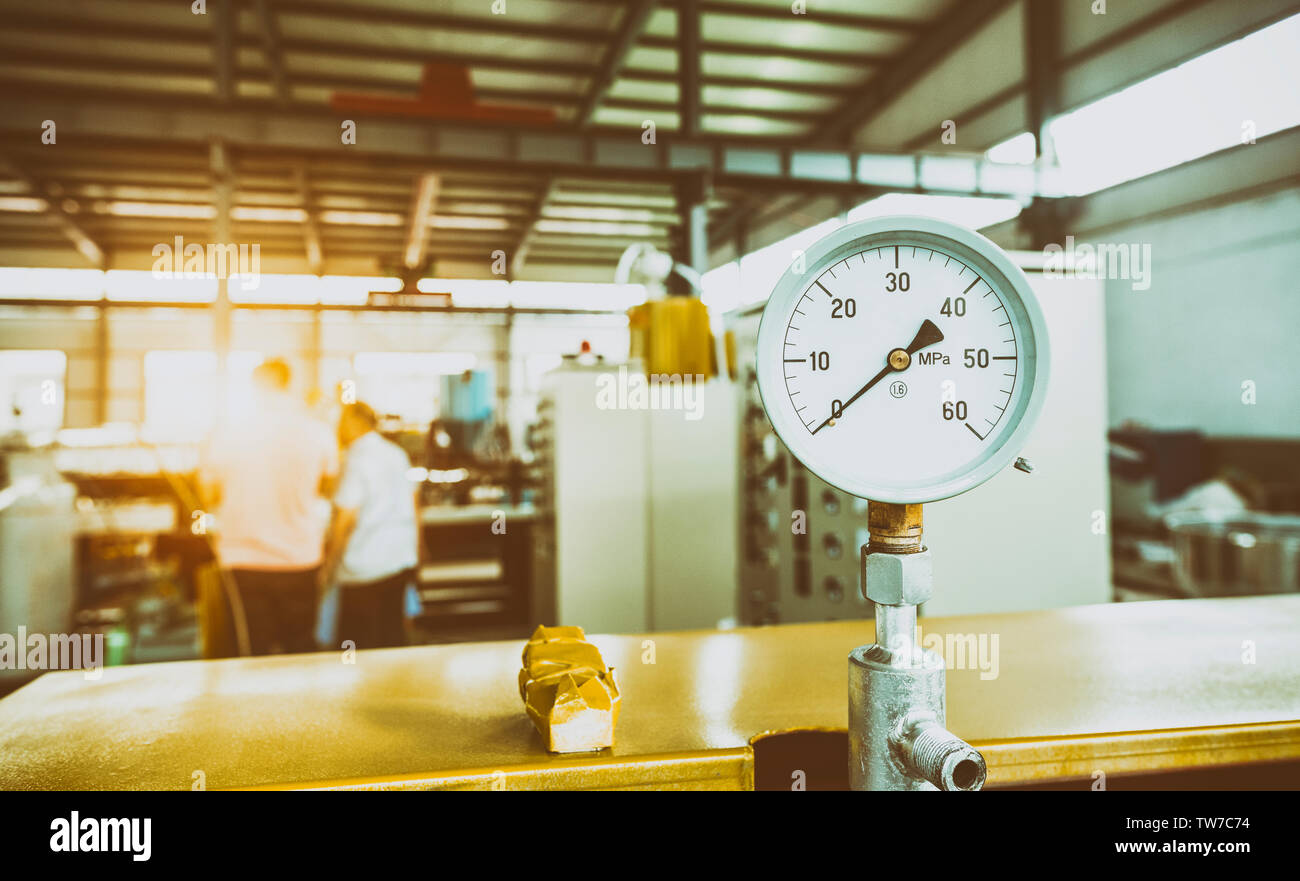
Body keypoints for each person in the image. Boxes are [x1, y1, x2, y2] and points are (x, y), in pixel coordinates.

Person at [198, 358, 338, 655]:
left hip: (245, 556)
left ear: (255, 384)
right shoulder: (316, 428)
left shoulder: (230, 430)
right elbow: (329, 485)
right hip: (301, 554)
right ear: (288, 382)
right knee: (300, 647)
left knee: (252, 651)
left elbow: (208, 488)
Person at [319, 402, 419, 650]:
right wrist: (419, 549)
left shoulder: (356, 458)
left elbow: (346, 517)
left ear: (354, 423)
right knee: (391, 637)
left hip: (364, 566)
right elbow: (415, 506)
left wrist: (329, 563)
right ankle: (396, 687)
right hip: (398, 560)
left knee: (356, 645)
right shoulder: (397, 453)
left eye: (341, 423)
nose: (338, 430)